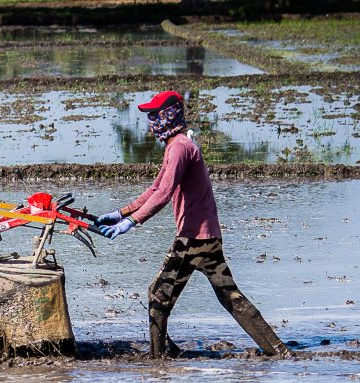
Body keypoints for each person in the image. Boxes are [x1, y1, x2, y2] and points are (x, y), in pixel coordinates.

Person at [95, 90, 291, 359]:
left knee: (158, 297)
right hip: (206, 237)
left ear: (169, 115)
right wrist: (121, 212)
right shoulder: (176, 145)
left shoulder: (179, 148)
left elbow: (164, 193)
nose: (151, 122)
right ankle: (279, 351)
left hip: (193, 239)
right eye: (150, 116)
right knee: (229, 295)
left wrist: (132, 222)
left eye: (155, 115)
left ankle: (158, 360)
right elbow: (156, 188)